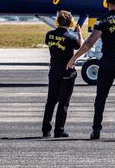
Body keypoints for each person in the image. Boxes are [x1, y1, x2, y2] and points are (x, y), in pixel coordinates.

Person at [67, 0, 115, 140]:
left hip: (107, 61)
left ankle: (96, 130)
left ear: (106, 3)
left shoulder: (101, 22)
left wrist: (74, 58)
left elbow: (90, 42)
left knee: (101, 97)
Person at [42, 10, 83, 138]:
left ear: (57, 22)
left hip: (53, 71)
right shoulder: (71, 37)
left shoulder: (49, 34)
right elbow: (80, 47)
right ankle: (59, 130)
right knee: (63, 101)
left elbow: (48, 43)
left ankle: (46, 130)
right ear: (71, 22)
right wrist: (79, 34)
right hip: (67, 72)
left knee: (51, 101)